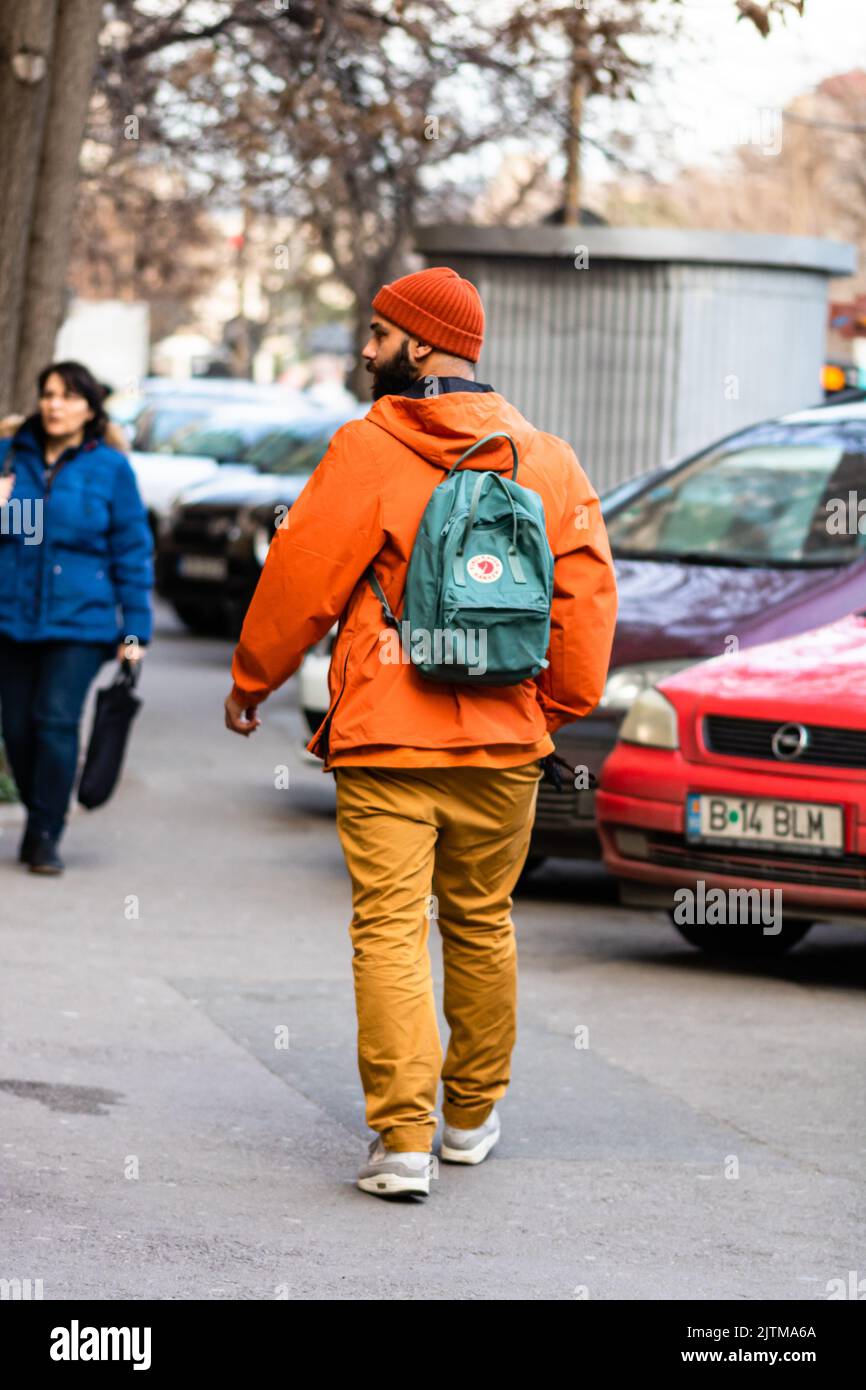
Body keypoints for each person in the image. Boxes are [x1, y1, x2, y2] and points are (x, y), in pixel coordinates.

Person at [224, 266, 617, 1198]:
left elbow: (301, 576)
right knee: (483, 922)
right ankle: (472, 1118)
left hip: (387, 739)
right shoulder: (547, 459)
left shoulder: (369, 447)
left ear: (426, 345)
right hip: (506, 746)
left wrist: (253, 681)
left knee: (391, 930)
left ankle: (403, 1142)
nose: (365, 350)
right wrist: (545, 709)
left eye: (378, 334)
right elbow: (589, 608)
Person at [0, 360, 153, 875]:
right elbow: (28, 534)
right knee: (17, 728)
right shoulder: (10, 458)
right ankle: (39, 812)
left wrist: (135, 630)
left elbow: (131, 551)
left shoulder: (109, 468)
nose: (55, 404)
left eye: (67, 396)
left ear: (90, 407)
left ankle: (46, 834)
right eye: (48, 394)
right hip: (12, 617)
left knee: (55, 721)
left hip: (81, 623)